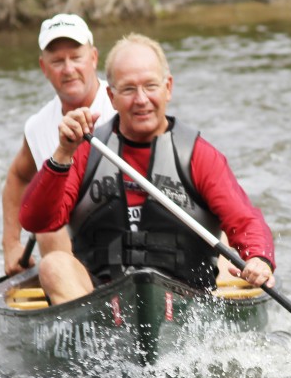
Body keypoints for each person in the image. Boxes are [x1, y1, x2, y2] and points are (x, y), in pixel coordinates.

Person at [19, 33, 276, 305]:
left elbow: (245, 220)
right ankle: (90, 339)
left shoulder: (200, 156)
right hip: (101, 305)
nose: (141, 99)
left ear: (168, 88)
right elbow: (37, 221)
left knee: (226, 255)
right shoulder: (84, 152)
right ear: (111, 96)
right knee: (53, 264)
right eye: (129, 89)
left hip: (185, 305)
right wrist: (62, 154)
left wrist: (258, 257)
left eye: (150, 86)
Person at [0, 13, 116, 275]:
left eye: (76, 57)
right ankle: (73, 293)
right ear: (44, 68)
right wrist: (11, 244)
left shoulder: (126, 103)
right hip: (71, 251)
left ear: (94, 58)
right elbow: (17, 177)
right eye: (57, 61)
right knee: (46, 229)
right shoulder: (37, 126)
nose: (68, 69)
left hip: (131, 230)